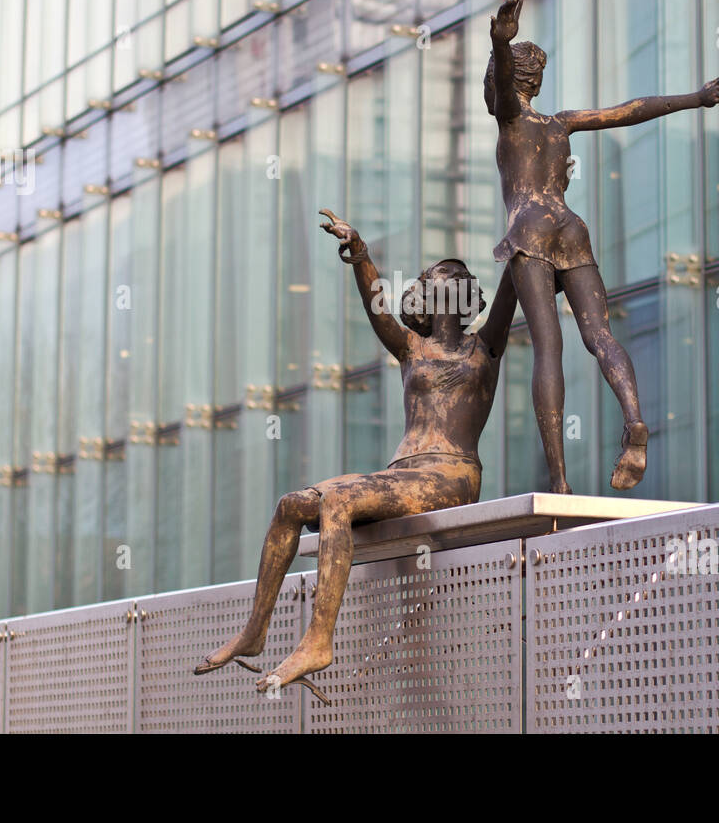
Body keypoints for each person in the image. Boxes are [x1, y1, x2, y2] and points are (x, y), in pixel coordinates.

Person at [194, 209, 518, 701]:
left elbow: (517, 274)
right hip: (401, 475)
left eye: (458, 275)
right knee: (291, 504)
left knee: (339, 500)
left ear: (469, 294)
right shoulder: (411, 347)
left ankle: (318, 642)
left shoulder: (485, 347)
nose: (449, 278)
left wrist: (527, 225)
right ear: (426, 298)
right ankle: (255, 631)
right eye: (438, 276)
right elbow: (377, 309)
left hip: (449, 476)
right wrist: (360, 253)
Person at [486, 0, 719, 493]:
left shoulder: (512, 119)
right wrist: (696, 98)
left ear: (514, 83)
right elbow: (629, 111)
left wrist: (499, 41)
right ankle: (635, 420)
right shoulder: (562, 123)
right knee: (601, 337)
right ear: (536, 82)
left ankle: (558, 480)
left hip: (531, 228)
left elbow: (500, 91)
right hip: (570, 225)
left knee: (548, 349)